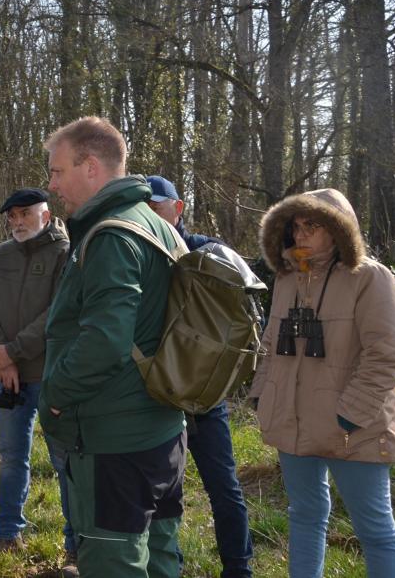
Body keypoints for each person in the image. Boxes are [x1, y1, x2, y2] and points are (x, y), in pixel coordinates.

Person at [38, 117, 187, 577]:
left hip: (114, 440)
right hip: (161, 429)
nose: (51, 185)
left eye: (57, 171)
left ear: (90, 167)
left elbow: (105, 339)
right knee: (160, 557)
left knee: (113, 561)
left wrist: (55, 394)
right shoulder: (154, 225)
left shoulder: (111, 236)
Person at [251, 188, 395, 577]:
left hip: (354, 428)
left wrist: (349, 415)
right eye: (295, 226)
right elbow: (269, 344)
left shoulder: (370, 277)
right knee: (305, 516)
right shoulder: (286, 279)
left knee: (375, 531)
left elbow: (386, 355)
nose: (301, 234)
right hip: (292, 422)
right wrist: (263, 396)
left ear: (338, 229)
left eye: (312, 225)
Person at [145, 175, 254, 577]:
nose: (151, 215)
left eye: (158, 207)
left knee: (223, 487)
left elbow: (241, 306)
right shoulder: (135, 255)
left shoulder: (206, 251)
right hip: (155, 392)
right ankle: (166, 564)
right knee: (159, 491)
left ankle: (239, 568)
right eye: (146, 208)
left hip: (205, 394)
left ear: (178, 208)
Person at [0, 187, 76, 572]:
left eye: (25, 215)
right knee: (12, 458)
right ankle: (7, 532)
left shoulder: (66, 254)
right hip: (9, 379)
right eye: (12, 216)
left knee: (65, 462)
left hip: (53, 377)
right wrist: (2, 357)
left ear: (45, 216)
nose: (17, 223)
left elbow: (59, 313)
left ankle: (75, 546)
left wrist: (13, 351)